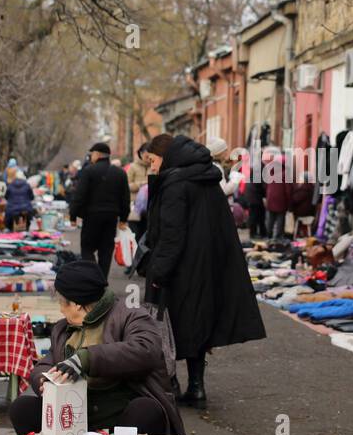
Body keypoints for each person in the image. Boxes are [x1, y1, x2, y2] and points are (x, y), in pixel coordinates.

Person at [140, 133, 265, 408]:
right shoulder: (205, 177)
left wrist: (158, 272)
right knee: (197, 324)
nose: (151, 166)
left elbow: (171, 234)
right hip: (206, 265)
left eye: (152, 160)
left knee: (164, 326)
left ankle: (169, 386)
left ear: (166, 156)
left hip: (179, 268)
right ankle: (196, 386)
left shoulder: (175, 184)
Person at [9, 261, 189, 435]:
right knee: (22, 408)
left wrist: (86, 359)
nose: (60, 308)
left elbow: (145, 349)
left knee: (145, 410)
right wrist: (43, 379)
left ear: (77, 304)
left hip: (120, 414)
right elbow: (46, 363)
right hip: (75, 416)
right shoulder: (63, 329)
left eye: (62, 302)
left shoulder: (131, 316)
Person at [69, 142, 130, 279]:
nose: (91, 157)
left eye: (92, 154)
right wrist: (124, 219)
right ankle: (102, 280)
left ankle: (92, 278)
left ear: (97, 154)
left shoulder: (89, 171)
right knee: (106, 251)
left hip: (91, 217)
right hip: (111, 218)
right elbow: (125, 198)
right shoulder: (120, 173)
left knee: (87, 248)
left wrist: (73, 216)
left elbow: (79, 195)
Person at [125, 146, 149, 233]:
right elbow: (126, 185)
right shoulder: (132, 167)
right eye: (147, 156)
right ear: (141, 154)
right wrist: (141, 184)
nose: (148, 159)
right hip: (135, 207)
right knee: (135, 235)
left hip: (150, 208)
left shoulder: (154, 167)